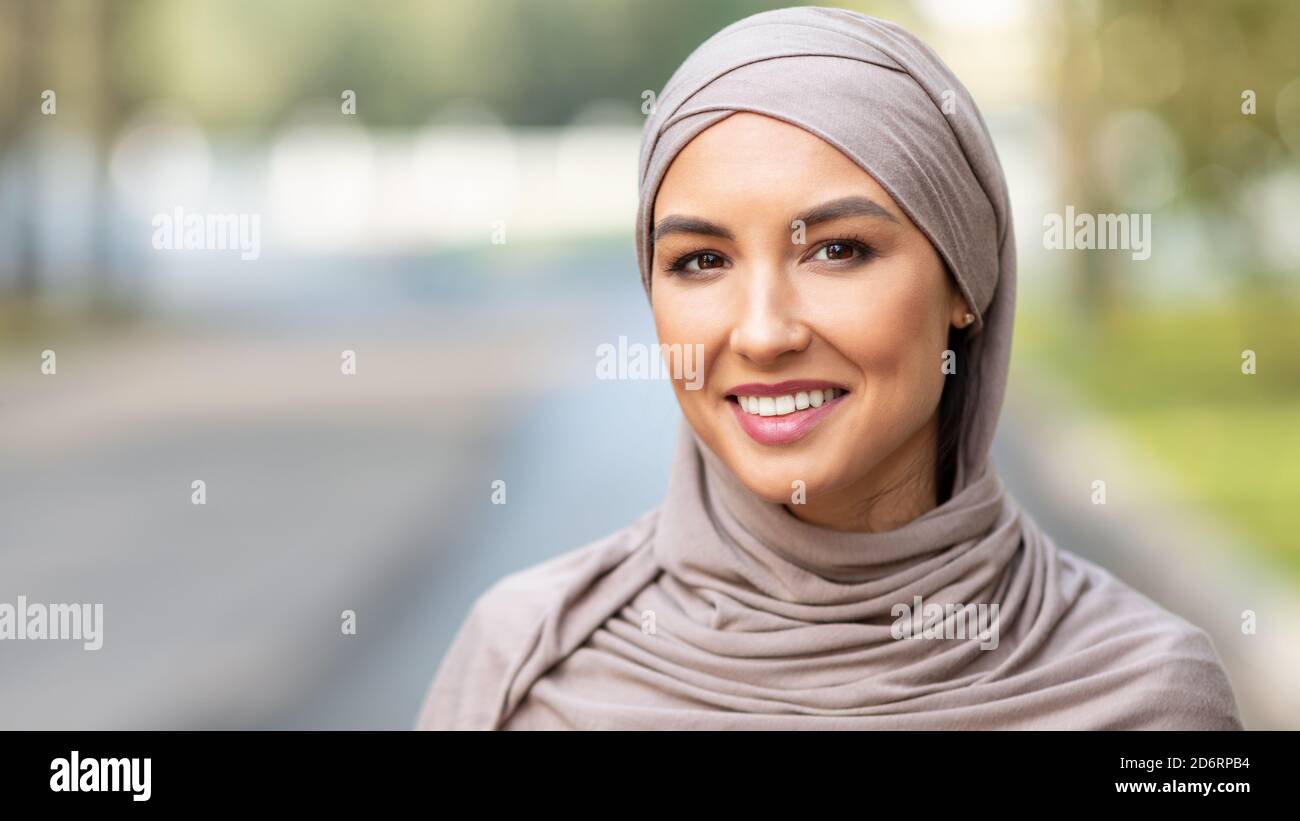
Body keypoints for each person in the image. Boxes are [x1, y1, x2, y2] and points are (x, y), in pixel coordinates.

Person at [415, 5, 1242, 730]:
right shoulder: (524, 666)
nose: (765, 331)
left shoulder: (1144, 693)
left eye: (840, 250)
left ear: (965, 282)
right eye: (702, 261)